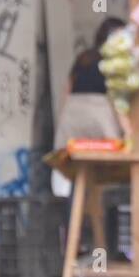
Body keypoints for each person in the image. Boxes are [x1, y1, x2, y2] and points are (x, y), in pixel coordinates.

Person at [51, 17, 126, 197]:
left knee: (66, 164)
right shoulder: (117, 63)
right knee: (106, 169)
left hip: (72, 115)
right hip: (100, 117)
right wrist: (128, 132)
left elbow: (67, 91)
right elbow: (118, 100)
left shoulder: (83, 58)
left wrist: (63, 120)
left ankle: (68, 216)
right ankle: (98, 214)